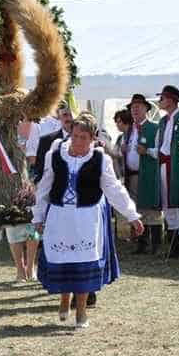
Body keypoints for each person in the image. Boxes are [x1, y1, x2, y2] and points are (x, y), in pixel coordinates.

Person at [33, 112, 143, 328]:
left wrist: (132, 215)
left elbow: (114, 190)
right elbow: (44, 187)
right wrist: (38, 215)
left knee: (83, 262)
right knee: (63, 260)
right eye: (75, 136)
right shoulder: (55, 154)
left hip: (86, 217)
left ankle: (81, 310)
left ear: (93, 138)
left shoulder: (101, 159)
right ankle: (64, 299)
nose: (78, 141)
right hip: (60, 216)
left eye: (84, 137)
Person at [148, 85, 179, 257]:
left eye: (162, 98)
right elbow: (158, 147)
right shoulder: (162, 122)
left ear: (170, 100)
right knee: (168, 203)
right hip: (164, 165)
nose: (160, 102)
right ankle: (174, 243)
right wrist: (147, 150)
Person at [126, 94, 161, 254]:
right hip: (132, 175)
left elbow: (162, 152)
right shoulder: (130, 130)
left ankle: (155, 244)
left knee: (151, 209)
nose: (135, 109)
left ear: (146, 109)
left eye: (139, 106)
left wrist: (147, 151)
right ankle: (142, 243)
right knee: (137, 209)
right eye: (133, 107)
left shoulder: (154, 128)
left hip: (148, 174)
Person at [32, 102, 74, 184]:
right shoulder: (46, 141)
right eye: (65, 115)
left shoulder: (85, 141)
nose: (69, 118)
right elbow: (40, 170)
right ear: (59, 116)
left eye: (71, 115)